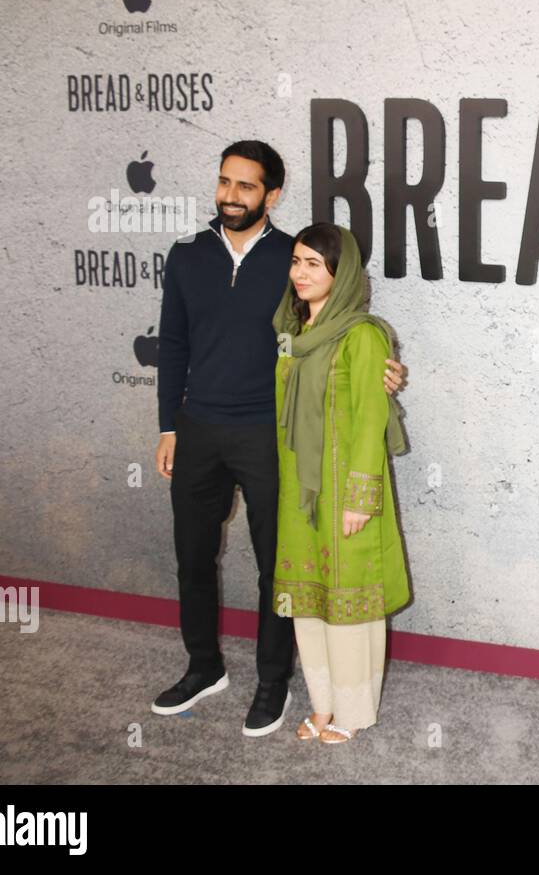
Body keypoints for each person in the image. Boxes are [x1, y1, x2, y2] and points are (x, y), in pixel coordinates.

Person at [151, 141, 407, 738]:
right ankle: (203, 667)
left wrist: (381, 369)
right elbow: (173, 345)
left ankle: (273, 683)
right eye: (224, 183)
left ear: (272, 193)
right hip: (197, 428)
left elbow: (328, 335)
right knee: (192, 555)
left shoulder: (292, 259)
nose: (230, 196)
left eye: (245, 186)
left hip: (269, 436)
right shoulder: (186, 255)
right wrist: (169, 424)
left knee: (278, 567)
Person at [271, 223, 410, 743]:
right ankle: (322, 704)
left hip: (345, 491)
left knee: (350, 603)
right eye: (296, 262)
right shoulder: (291, 331)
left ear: (340, 271)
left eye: (314, 264)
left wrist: (359, 499)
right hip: (298, 488)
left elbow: (370, 420)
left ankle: (353, 711)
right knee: (309, 601)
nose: (301, 273)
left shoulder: (363, 335)